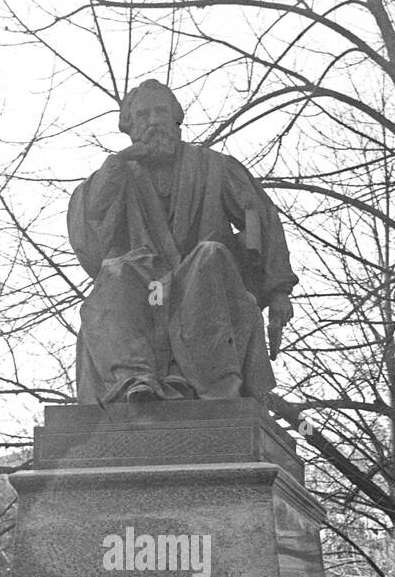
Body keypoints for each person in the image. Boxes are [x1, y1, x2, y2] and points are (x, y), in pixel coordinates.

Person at [67, 79, 297, 405]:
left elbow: (260, 216)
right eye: (143, 114)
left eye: (161, 111)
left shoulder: (215, 167)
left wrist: (278, 290)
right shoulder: (117, 175)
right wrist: (115, 168)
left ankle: (213, 388)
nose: (154, 121)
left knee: (210, 254)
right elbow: (90, 234)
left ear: (177, 119)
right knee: (119, 271)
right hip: (153, 294)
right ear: (129, 126)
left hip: (208, 287)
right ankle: (135, 380)